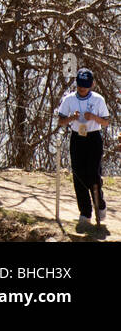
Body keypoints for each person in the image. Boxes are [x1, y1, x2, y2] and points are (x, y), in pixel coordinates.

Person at [56, 68, 110, 225]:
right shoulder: (69, 99)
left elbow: (106, 122)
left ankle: (100, 205)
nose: (82, 89)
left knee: (93, 174)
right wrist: (71, 118)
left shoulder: (98, 100)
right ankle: (85, 213)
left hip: (93, 138)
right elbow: (60, 120)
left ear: (92, 84)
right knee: (78, 175)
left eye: (85, 86)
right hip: (77, 138)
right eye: (80, 85)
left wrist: (94, 117)